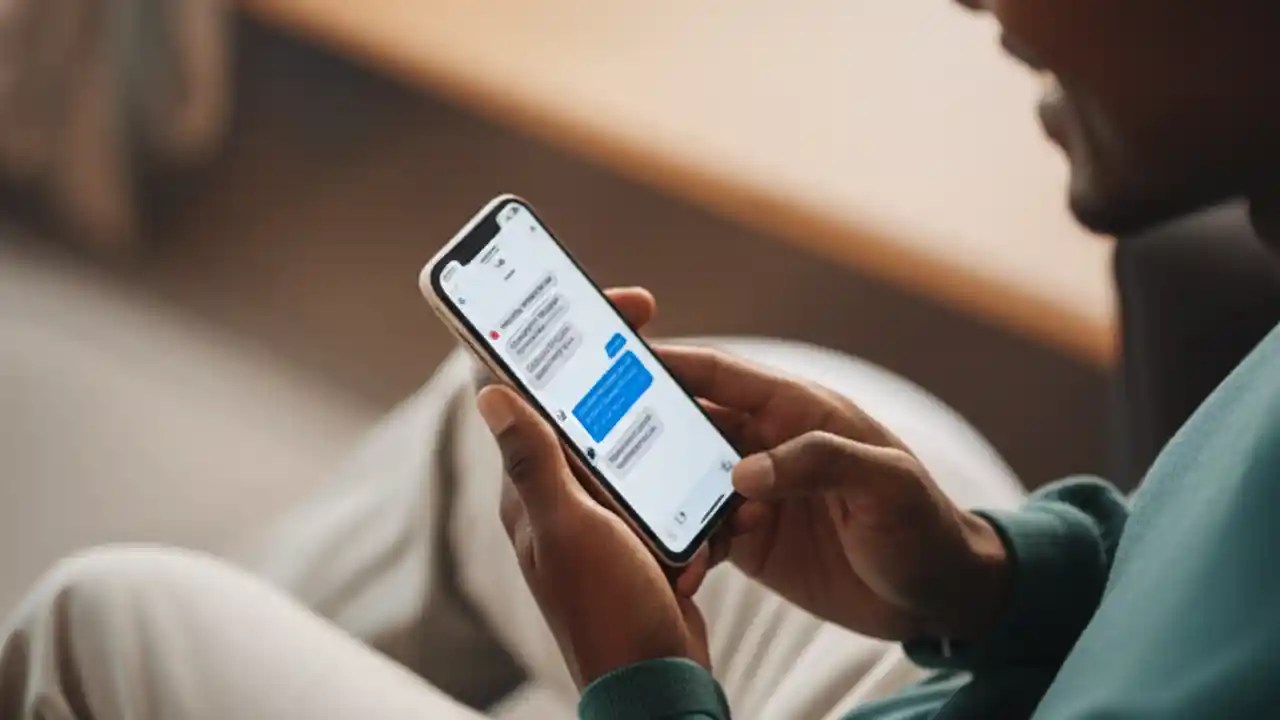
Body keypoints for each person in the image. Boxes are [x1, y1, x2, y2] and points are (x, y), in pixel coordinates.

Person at [3, 0, 1279, 717]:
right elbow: (1207, 571)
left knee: (102, 621)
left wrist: (641, 687)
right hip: (987, 683)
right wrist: (992, 577)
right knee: (499, 431)